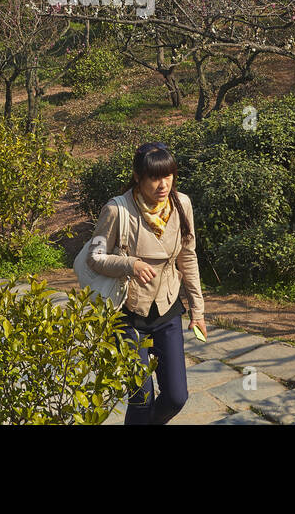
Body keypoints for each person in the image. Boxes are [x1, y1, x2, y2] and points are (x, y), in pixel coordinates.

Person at [84, 142, 206, 425]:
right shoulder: (117, 210)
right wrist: (130, 264)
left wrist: (197, 311)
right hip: (128, 312)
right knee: (140, 398)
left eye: (168, 175)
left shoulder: (181, 204)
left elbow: (188, 257)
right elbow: (94, 256)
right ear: (138, 177)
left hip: (167, 309)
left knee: (177, 397)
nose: (163, 185)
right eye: (154, 177)